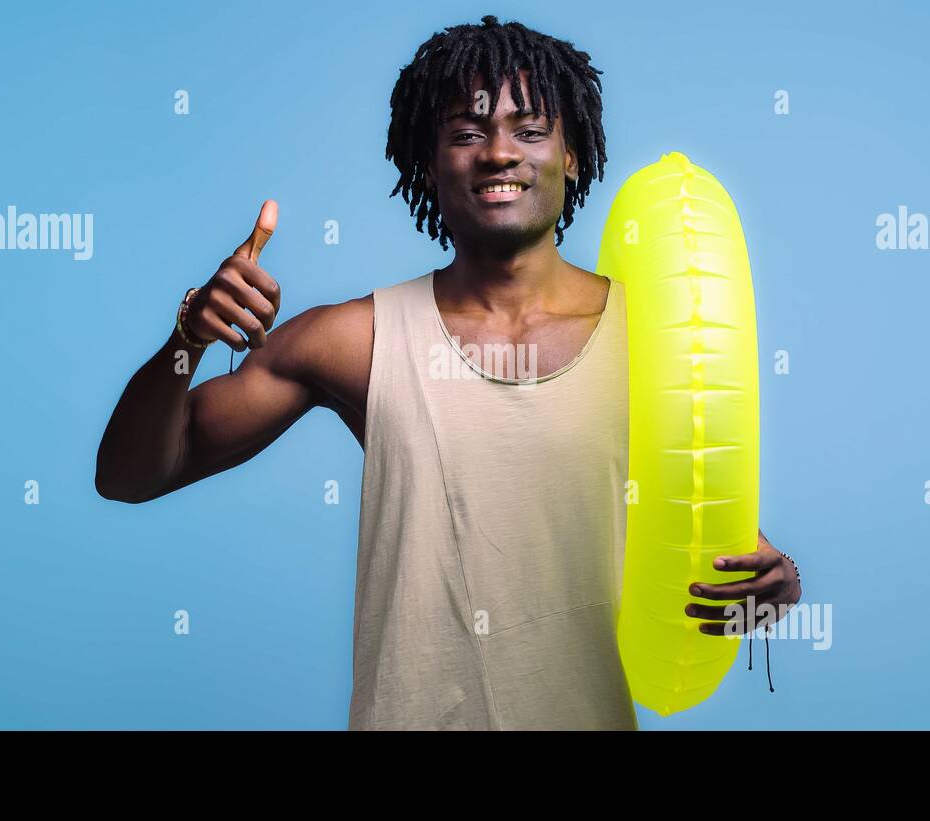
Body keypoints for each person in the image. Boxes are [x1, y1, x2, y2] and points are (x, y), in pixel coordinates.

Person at [95, 14, 801, 730]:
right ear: (427, 164)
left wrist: (770, 576)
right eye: (467, 133)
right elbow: (130, 474)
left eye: (530, 130)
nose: (499, 153)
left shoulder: (648, 336)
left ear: (574, 156)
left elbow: (693, 513)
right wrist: (188, 338)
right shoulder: (354, 339)